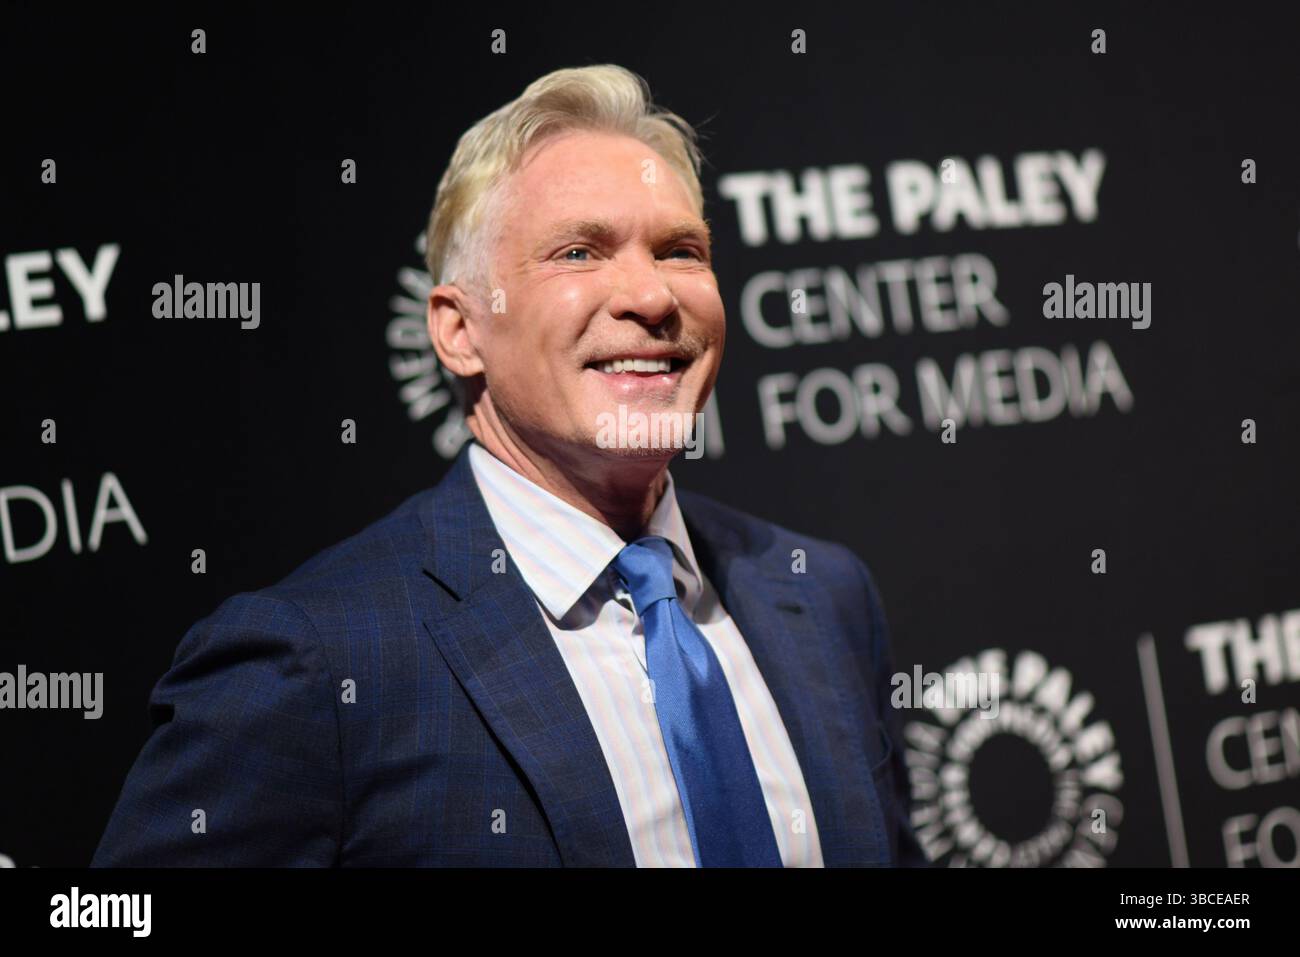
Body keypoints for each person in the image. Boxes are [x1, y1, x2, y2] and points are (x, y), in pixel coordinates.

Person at [92, 64, 926, 867]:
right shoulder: (315, 662)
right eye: (578, 253)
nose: (652, 296)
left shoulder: (821, 593)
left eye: (680, 249)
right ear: (459, 332)